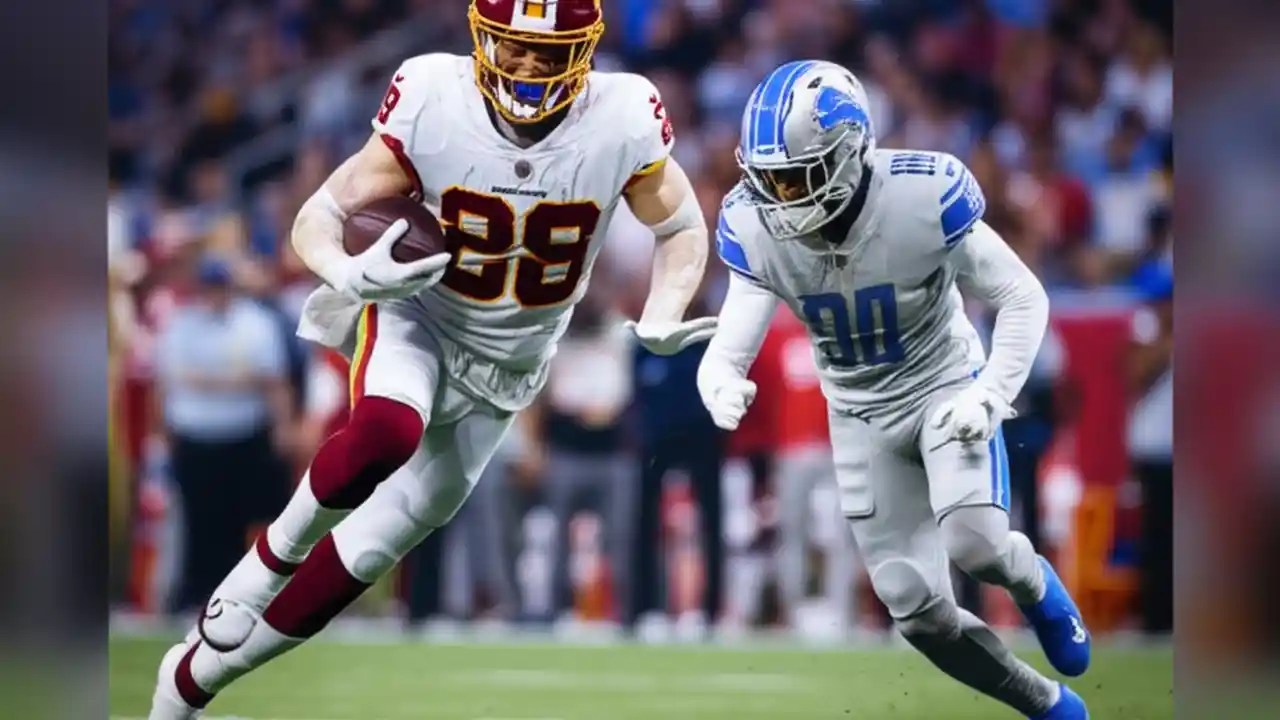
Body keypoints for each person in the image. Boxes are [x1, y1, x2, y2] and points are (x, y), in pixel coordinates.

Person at [148, 1, 716, 715]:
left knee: (365, 556)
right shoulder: (431, 94)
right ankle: (263, 565)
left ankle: (190, 681)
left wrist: (665, 310)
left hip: (511, 366)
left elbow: (683, 226)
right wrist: (348, 273)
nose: (531, 67)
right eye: (513, 49)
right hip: (423, 315)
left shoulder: (625, 113)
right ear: (482, 40)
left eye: (550, 52)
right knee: (390, 429)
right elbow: (317, 216)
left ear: (587, 49)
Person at [695, 61, 1091, 719]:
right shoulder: (754, 224)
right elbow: (735, 330)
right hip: (858, 411)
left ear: (849, 154)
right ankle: (1043, 703)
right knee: (915, 608)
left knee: (977, 544)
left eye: (796, 176)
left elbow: (1022, 295)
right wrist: (718, 375)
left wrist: (989, 392)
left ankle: (1033, 582)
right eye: (767, 179)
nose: (779, 196)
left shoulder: (921, 193)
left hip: (942, 383)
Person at [154, 257, 294, 614]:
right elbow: (171, 381)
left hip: (242, 435)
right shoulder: (182, 324)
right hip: (195, 435)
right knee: (198, 520)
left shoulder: (255, 324)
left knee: (238, 519)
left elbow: (272, 380)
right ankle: (195, 596)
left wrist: (283, 426)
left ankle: (235, 598)